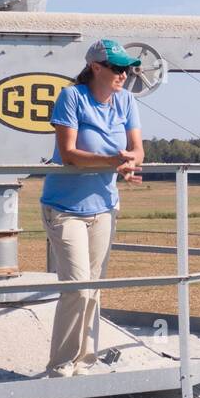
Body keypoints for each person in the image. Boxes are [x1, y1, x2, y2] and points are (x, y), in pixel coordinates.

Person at [40, 38, 144, 376]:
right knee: (77, 286)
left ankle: (85, 360)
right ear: (95, 67)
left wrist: (129, 164)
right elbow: (68, 153)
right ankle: (60, 365)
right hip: (65, 207)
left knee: (94, 286)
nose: (124, 75)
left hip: (103, 208)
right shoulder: (72, 97)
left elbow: (137, 148)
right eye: (116, 68)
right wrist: (113, 161)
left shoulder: (126, 101)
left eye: (127, 69)